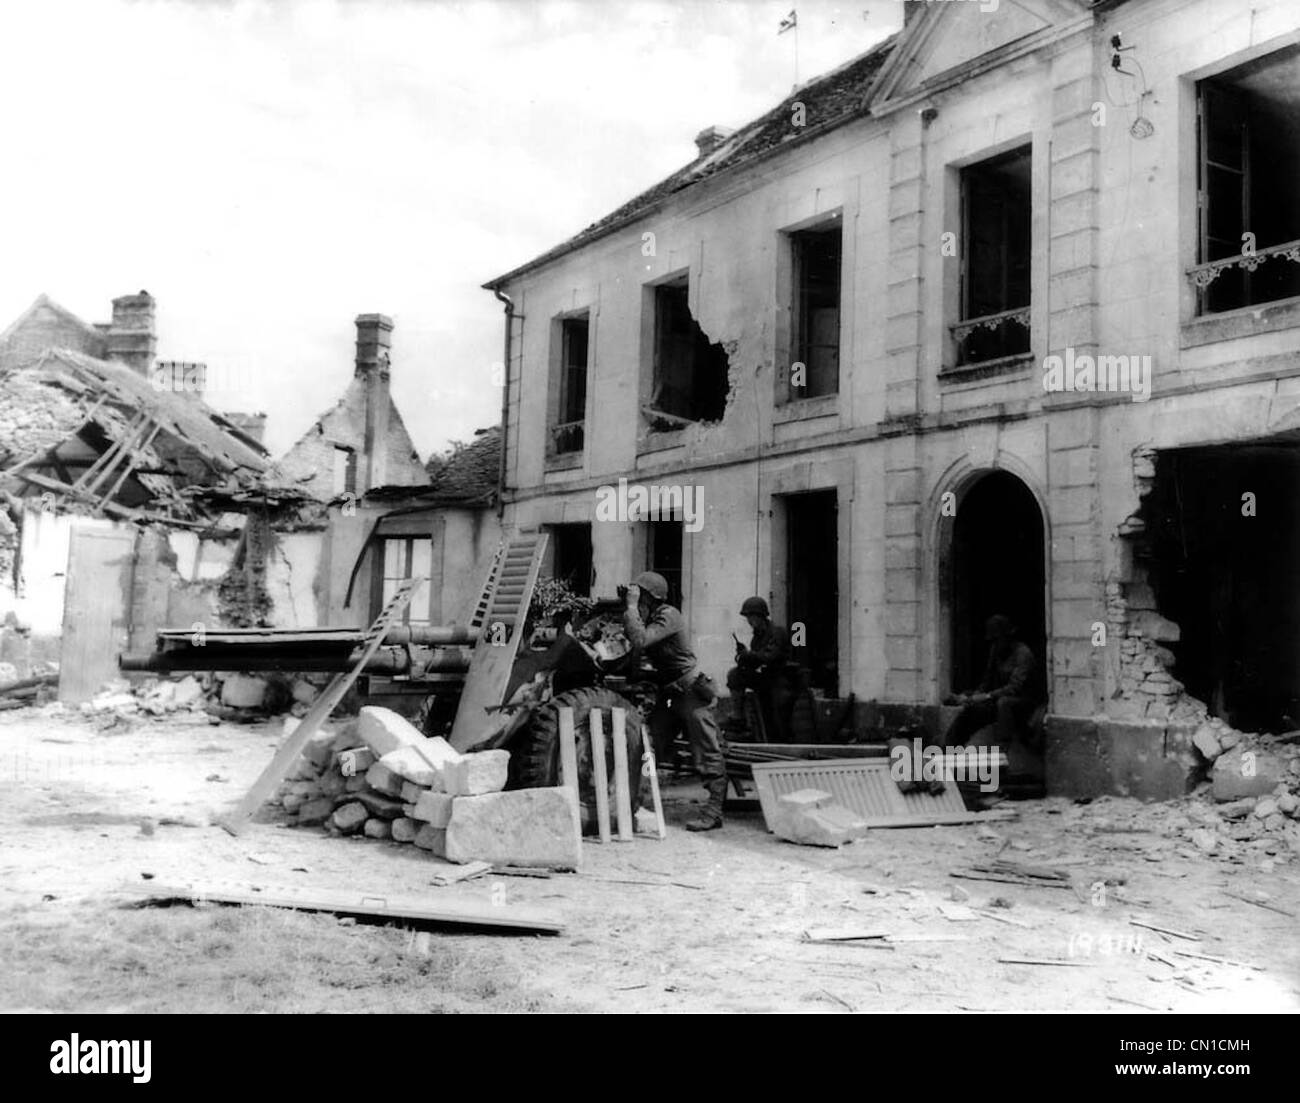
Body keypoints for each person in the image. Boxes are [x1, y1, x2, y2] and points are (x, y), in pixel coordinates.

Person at [622, 571, 727, 831]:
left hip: (690, 691)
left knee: (707, 750)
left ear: (651, 598)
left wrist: (631, 608)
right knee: (650, 747)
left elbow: (640, 639)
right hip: (669, 694)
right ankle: (639, 802)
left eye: (642, 597)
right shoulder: (652, 617)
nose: (639, 602)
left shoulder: (669, 615)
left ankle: (713, 812)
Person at [945, 614, 1041, 748]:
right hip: (998, 699)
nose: (995, 644)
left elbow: (1015, 688)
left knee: (1004, 703)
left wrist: (986, 696)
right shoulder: (995, 650)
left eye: (997, 639)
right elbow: (987, 679)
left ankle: (1002, 750)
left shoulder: (1023, 654)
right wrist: (973, 697)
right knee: (970, 712)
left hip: (1024, 703)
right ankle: (948, 749)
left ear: (1007, 637)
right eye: (993, 641)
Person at [726, 596, 795, 742]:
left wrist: (749, 655)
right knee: (735, 675)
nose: (749, 622)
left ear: (760, 616)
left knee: (778, 717)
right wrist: (744, 655)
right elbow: (755, 662)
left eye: (751, 617)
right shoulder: (756, 637)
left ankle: (779, 739)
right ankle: (738, 717)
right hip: (765, 678)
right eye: (748, 618)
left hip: (780, 680)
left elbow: (769, 657)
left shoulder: (777, 632)